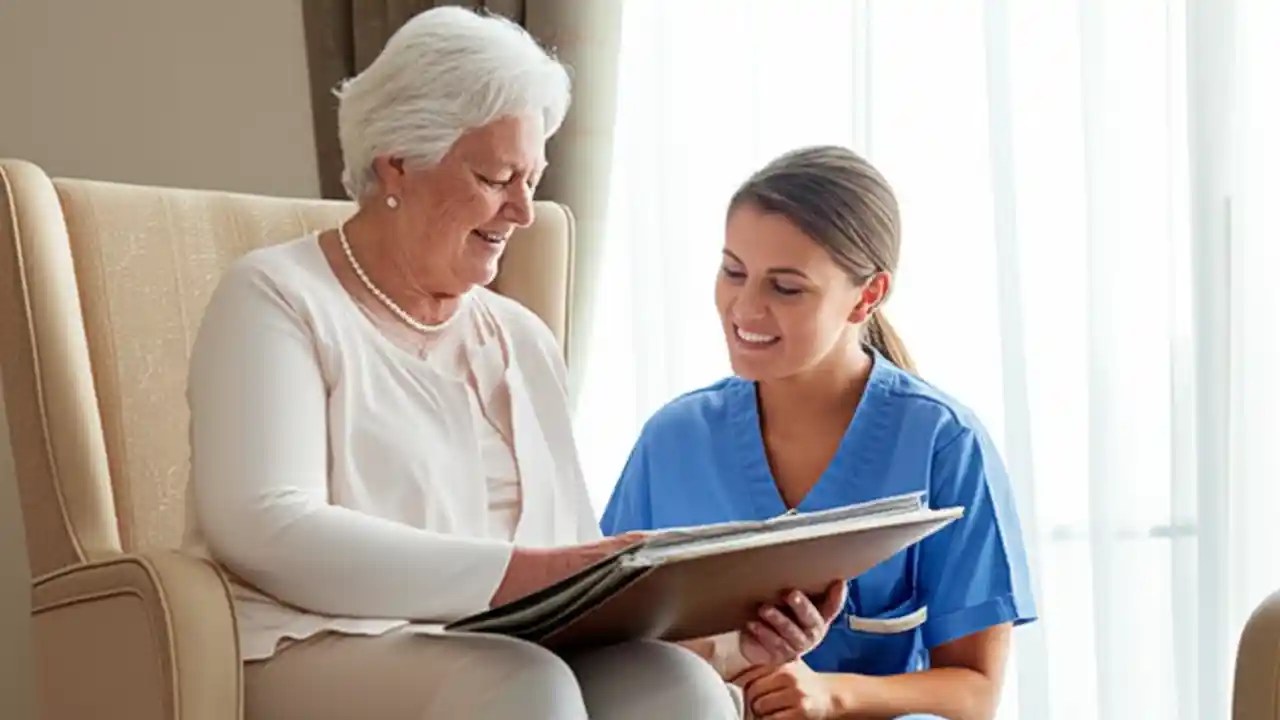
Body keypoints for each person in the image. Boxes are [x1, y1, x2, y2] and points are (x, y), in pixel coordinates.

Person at [182, 8, 844, 720]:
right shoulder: (277, 297)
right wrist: (522, 576)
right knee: (522, 685)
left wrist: (738, 643)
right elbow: (263, 524)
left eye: (533, 178)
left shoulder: (519, 337)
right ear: (398, 160)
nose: (524, 212)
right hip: (315, 643)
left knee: (672, 685)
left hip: (504, 647)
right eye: (498, 176)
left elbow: (575, 576)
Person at [600, 146, 1038, 720]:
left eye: (785, 288)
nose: (745, 308)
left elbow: (975, 690)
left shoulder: (941, 443)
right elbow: (603, 648)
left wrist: (834, 694)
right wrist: (728, 654)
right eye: (733, 271)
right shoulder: (673, 442)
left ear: (868, 295)